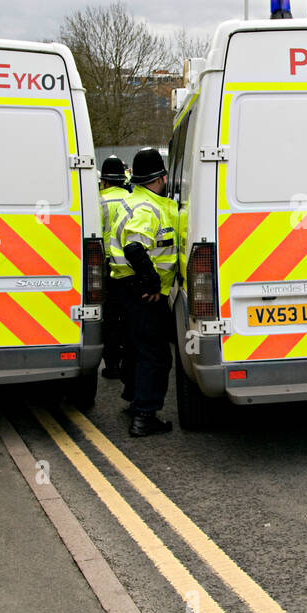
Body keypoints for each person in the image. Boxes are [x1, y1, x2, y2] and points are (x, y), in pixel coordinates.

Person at [114, 148, 180, 437]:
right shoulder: (146, 209)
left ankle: (134, 399)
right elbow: (133, 247)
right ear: (161, 177)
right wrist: (151, 283)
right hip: (142, 290)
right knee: (155, 355)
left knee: (136, 347)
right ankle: (144, 416)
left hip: (126, 288)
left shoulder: (132, 200)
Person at [98, 156, 132, 379]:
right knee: (128, 317)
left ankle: (111, 365)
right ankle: (128, 363)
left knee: (109, 318)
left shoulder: (98, 201)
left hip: (106, 266)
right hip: (130, 266)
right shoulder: (132, 199)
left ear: (105, 181)